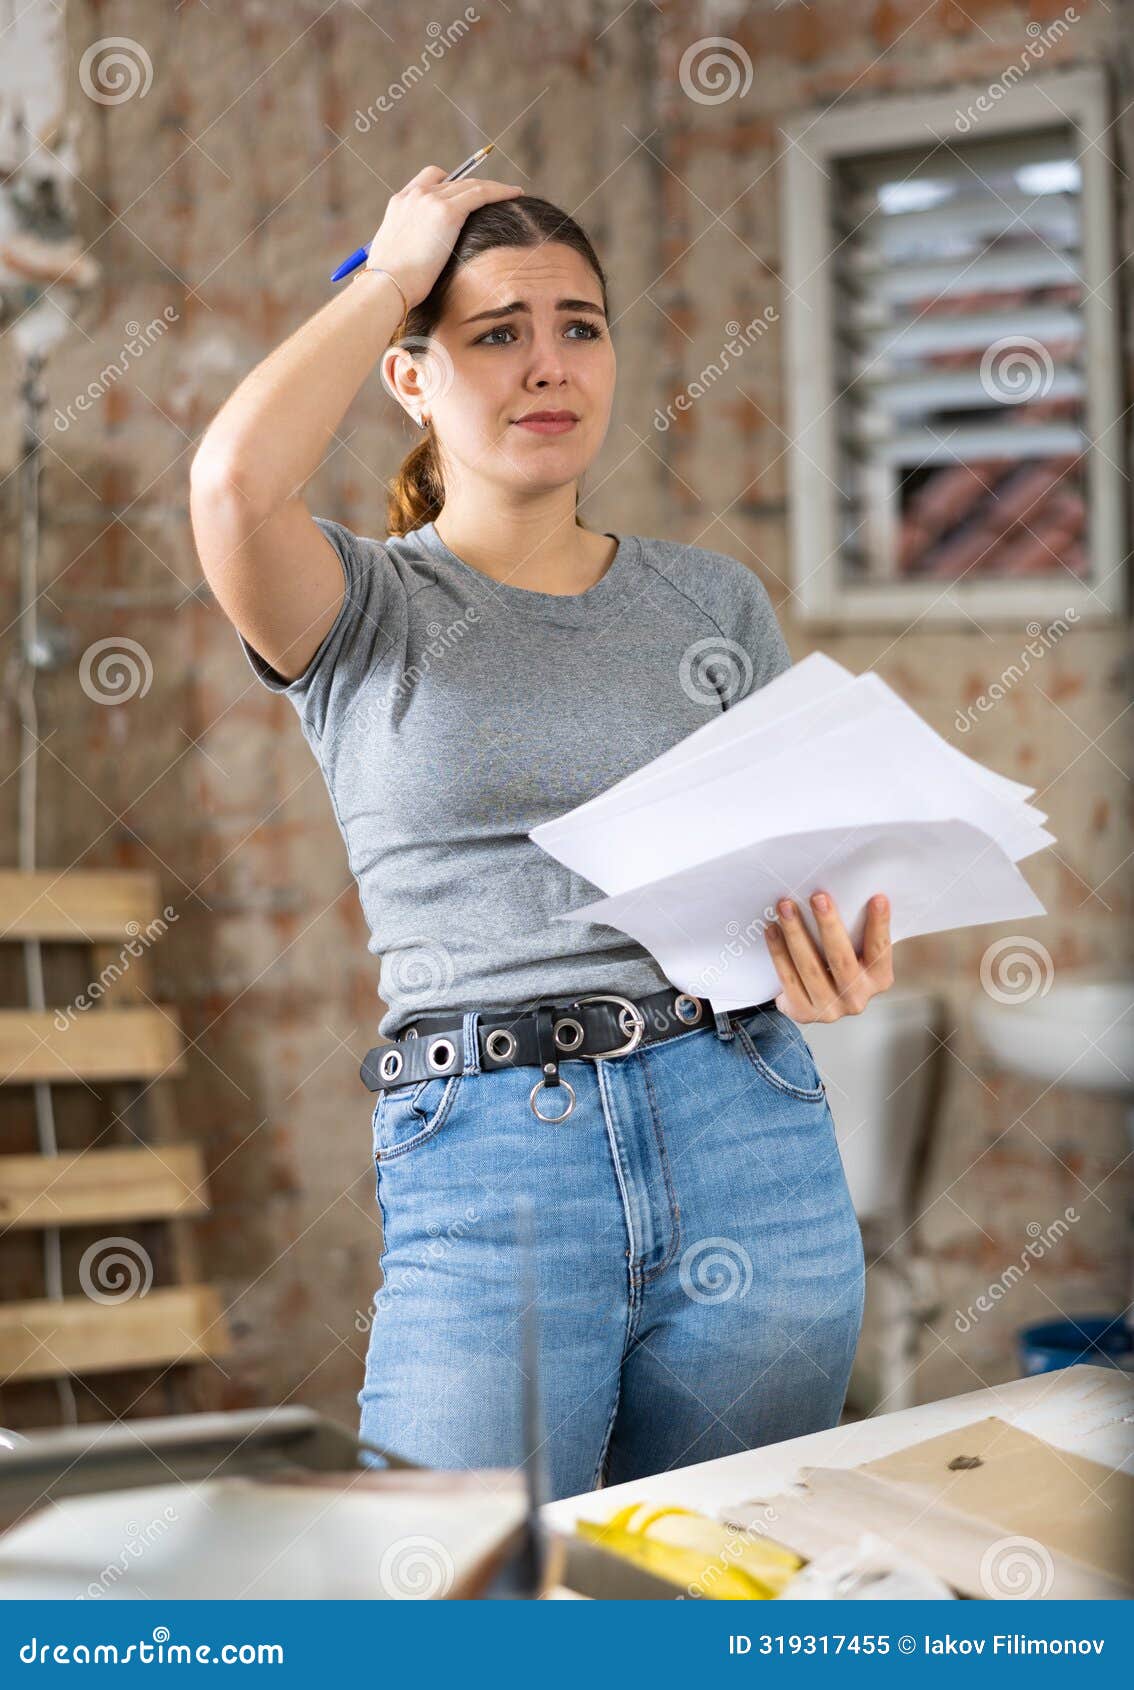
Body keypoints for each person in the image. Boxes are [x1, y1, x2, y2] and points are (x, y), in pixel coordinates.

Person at [189, 165, 895, 1502]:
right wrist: (391, 271)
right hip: (490, 1153)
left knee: (711, 1590)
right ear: (410, 374)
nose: (547, 364)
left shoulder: (712, 602)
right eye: (495, 331)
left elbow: (775, 877)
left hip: (745, 1122)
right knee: (455, 1600)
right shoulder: (360, 608)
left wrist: (825, 955)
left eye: (579, 324)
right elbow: (230, 486)